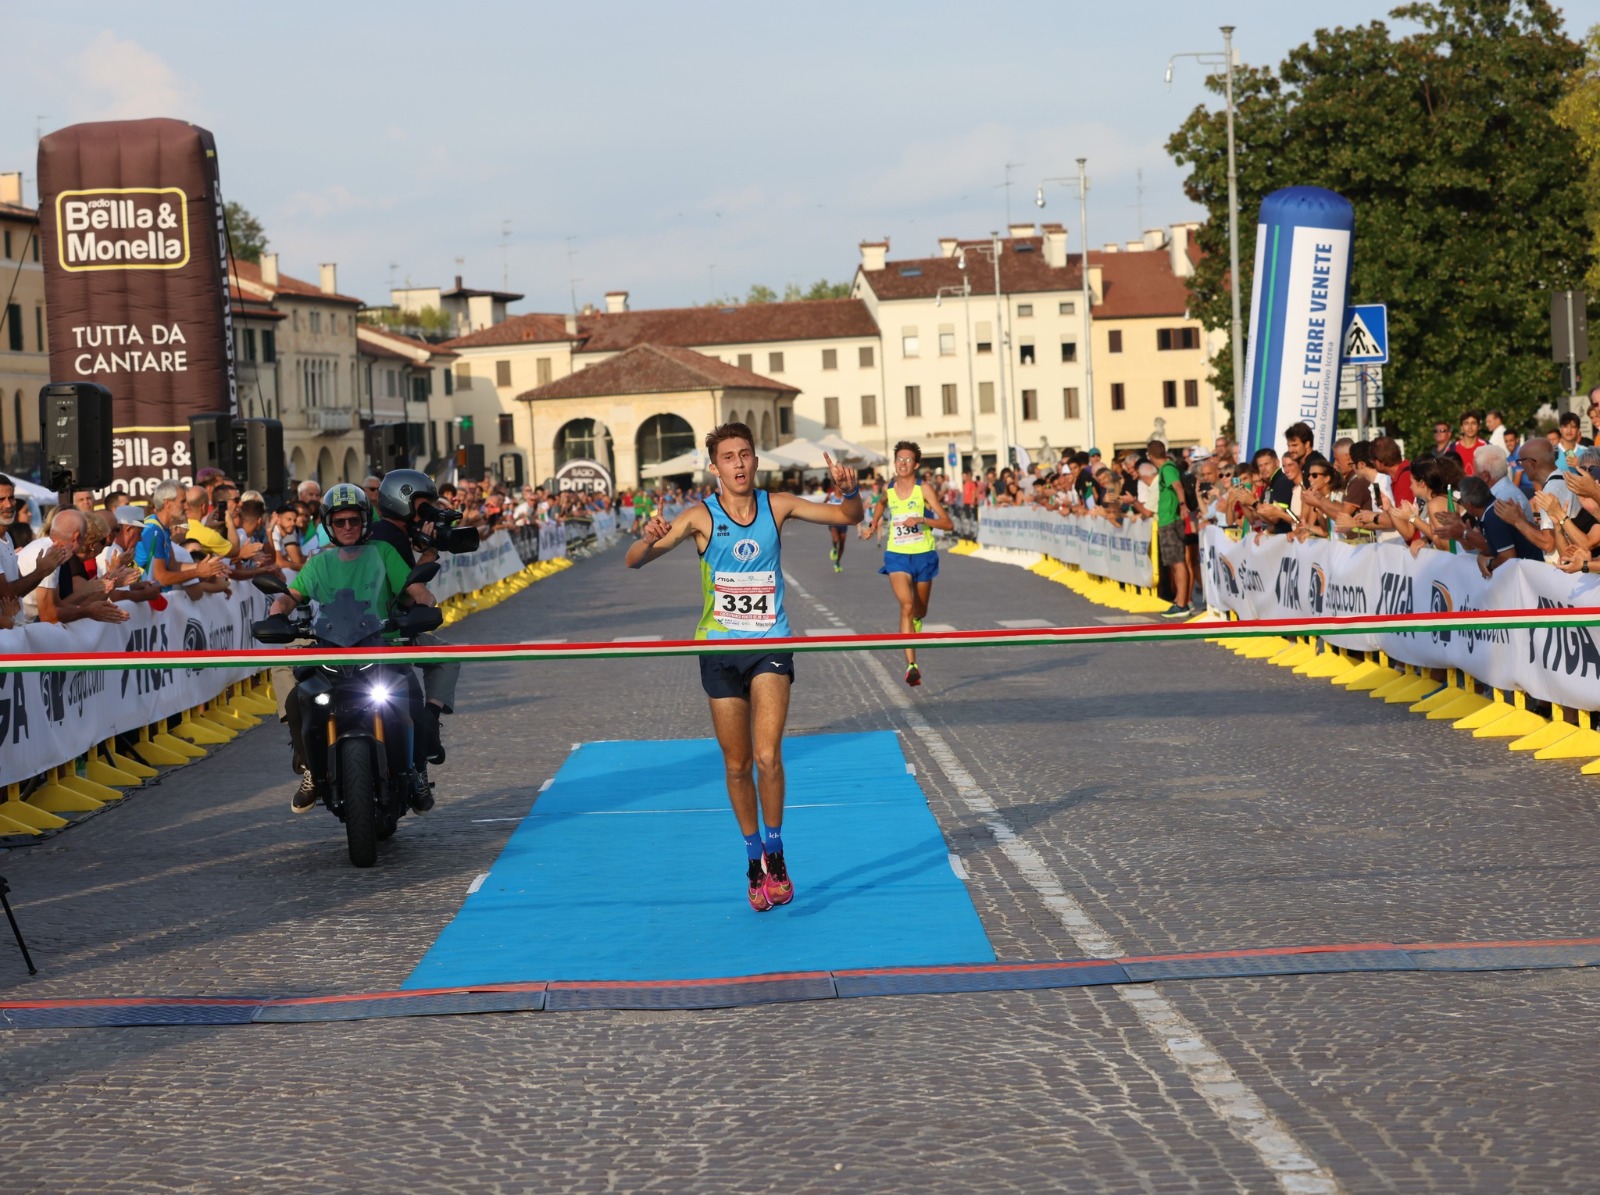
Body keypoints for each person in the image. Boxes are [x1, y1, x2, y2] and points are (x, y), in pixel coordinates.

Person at [625, 422, 861, 913]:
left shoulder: (778, 506)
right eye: (728, 456)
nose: (737, 463)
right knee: (737, 764)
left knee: (768, 755)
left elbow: (847, 515)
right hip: (718, 649)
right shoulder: (699, 517)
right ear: (714, 467)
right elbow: (633, 563)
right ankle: (753, 859)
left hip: (770, 644)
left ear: (756, 461)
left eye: (745, 455)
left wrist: (852, 490)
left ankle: (776, 852)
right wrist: (647, 540)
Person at [270, 483, 438, 815]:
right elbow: (290, 595)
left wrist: (425, 604)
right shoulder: (319, 563)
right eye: (340, 521)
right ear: (329, 525)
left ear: (365, 521)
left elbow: (414, 589)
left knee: (410, 694)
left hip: (379, 647)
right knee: (299, 696)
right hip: (332, 648)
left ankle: (418, 769)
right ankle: (310, 771)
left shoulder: (383, 552)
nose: (347, 527)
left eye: (353, 520)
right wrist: (277, 615)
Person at [371, 468, 460, 767]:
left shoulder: (389, 533)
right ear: (402, 500)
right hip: (387, 631)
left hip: (372, 629)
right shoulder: (387, 538)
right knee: (447, 656)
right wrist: (429, 554)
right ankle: (430, 720)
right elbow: (410, 590)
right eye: (422, 506)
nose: (426, 513)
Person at [862, 440, 955, 686]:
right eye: (899, 460)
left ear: (915, 464)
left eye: (907, 460)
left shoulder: (923, 489)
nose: (902, 464)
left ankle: (917, 620)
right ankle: (912, 665)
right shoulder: (888, 489)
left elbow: (948, 523)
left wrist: (922, 519)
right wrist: (873, 525)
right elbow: (880, 504)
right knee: (906, 605)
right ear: (894, 463)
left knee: (920, 610)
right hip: (897, 555)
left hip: (923, 555)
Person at [824, 480, 848, 573]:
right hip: (833, 522)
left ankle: (837, 562)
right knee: (836, 539)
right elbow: (823, 505)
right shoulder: (831, 496)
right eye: (838, 486)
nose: (840, 488)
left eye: (841, 486)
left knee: (842, 544)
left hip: (843, 523)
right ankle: (834, 547)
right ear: (835, 486)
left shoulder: (845, 497)